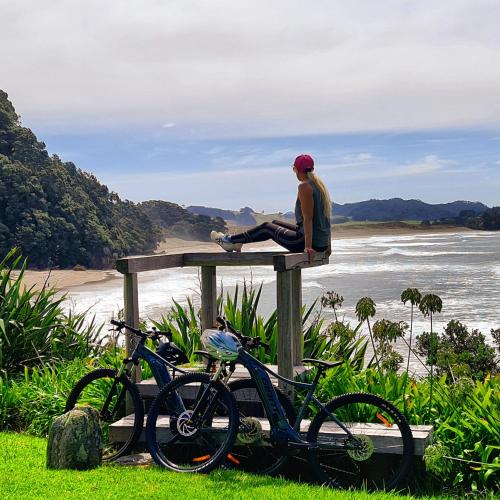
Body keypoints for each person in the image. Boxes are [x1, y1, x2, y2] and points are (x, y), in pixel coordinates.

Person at [211, 154, 332, 260]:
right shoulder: (319, 187)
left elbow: (308, 218)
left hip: (305, 242)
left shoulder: (304, 187)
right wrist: (328, 246)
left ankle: (229, 241)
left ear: (297, 170)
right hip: (320, 244)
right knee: (274, 223)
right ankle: (238, 242)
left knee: (266, 228)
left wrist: (308, 247)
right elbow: (326, 219)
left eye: (294, 169)